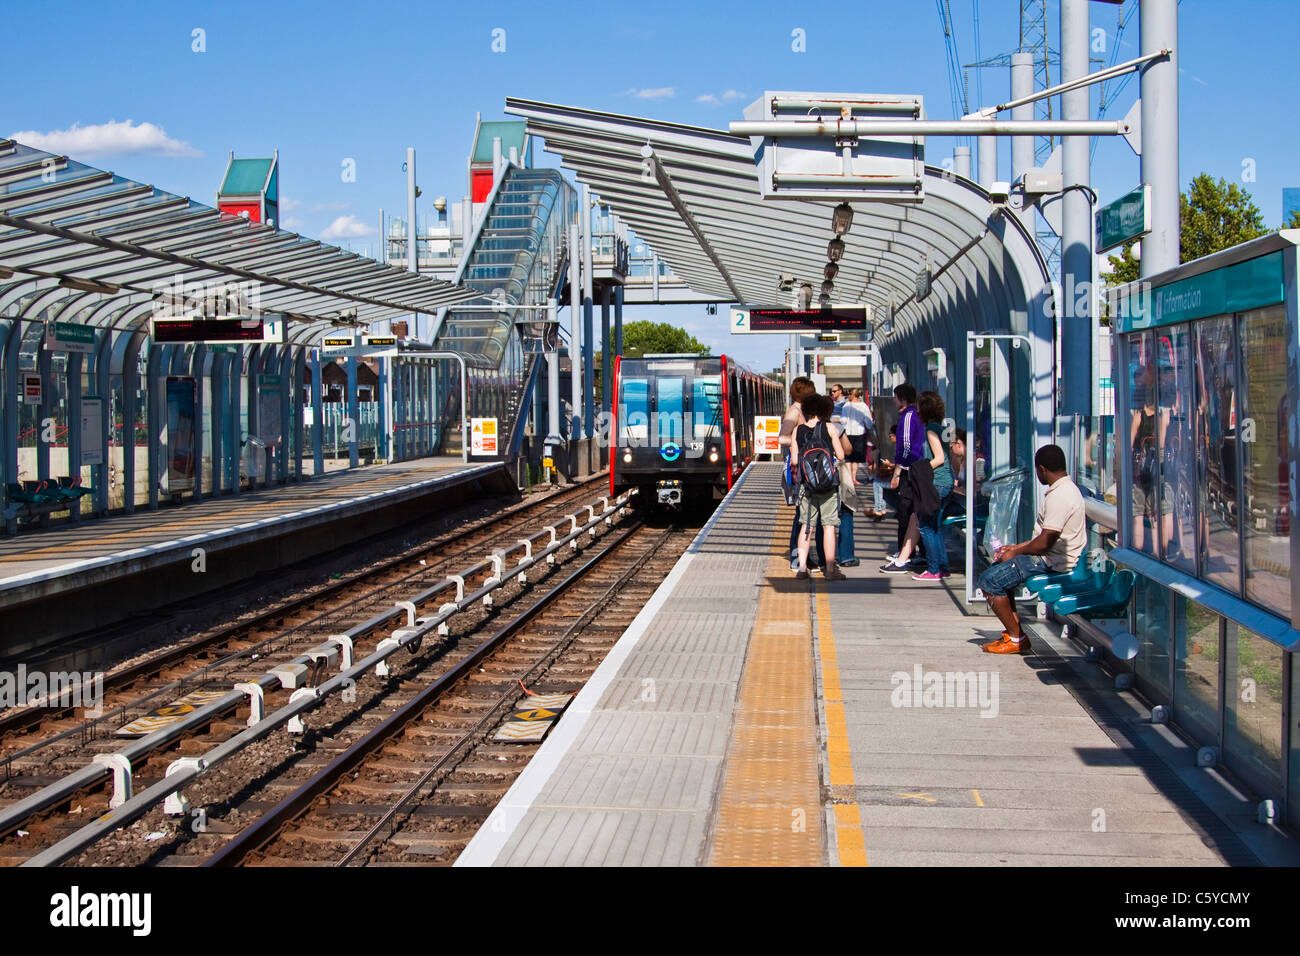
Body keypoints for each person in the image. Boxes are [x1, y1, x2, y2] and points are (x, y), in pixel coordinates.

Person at [977, 444, 1087, 654]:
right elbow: (1044, 538)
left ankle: (1017, 637)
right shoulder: (1065, 490)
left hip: (1052, 562)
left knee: (989, 581)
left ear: (1042, 469)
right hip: (1049, 557)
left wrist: (1015, 552)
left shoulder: (1060, 496)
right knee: (998, 571)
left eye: (1037, 470)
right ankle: (1014, 634)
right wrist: (1015, 547)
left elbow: (1045, 542)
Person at [790, 392, 848, 581]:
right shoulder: (829, 427)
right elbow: (841, 455)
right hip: (828, 486)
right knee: (829, 526)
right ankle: (830, 570)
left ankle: (802, 568)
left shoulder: (798, 431)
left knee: (806, 526)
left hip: (807, 486)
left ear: (806, 410)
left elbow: (795, 461)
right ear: (824, 410)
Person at [879, 384, 928, 573]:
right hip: (915, 469)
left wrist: (898, 471)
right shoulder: (915, 415)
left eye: (895, 396)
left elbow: (906, 446)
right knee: (912, 511)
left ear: (901, 397)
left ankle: (905, 554)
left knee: (906, 511)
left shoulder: (908, 416)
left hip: (910, 470)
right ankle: (914, 553)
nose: (893, 400)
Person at [778, 377, 826, 571]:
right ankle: (797, 558)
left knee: (806, 514)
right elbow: (782, 437)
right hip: (798, 469)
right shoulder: (794, 412)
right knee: (802, 515)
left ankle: (804, 557)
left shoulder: (802, 411)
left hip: (807, 467)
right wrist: (804, 443)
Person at [912, 391, 953, 581]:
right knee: (935, 526)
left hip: (936, 482)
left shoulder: (930, 430)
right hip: (947, 481)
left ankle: (934, 568)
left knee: (926, 526)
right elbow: (952, 455)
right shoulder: (943, 428)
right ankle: (942, 566)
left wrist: (922, 469)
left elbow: (939, 458)